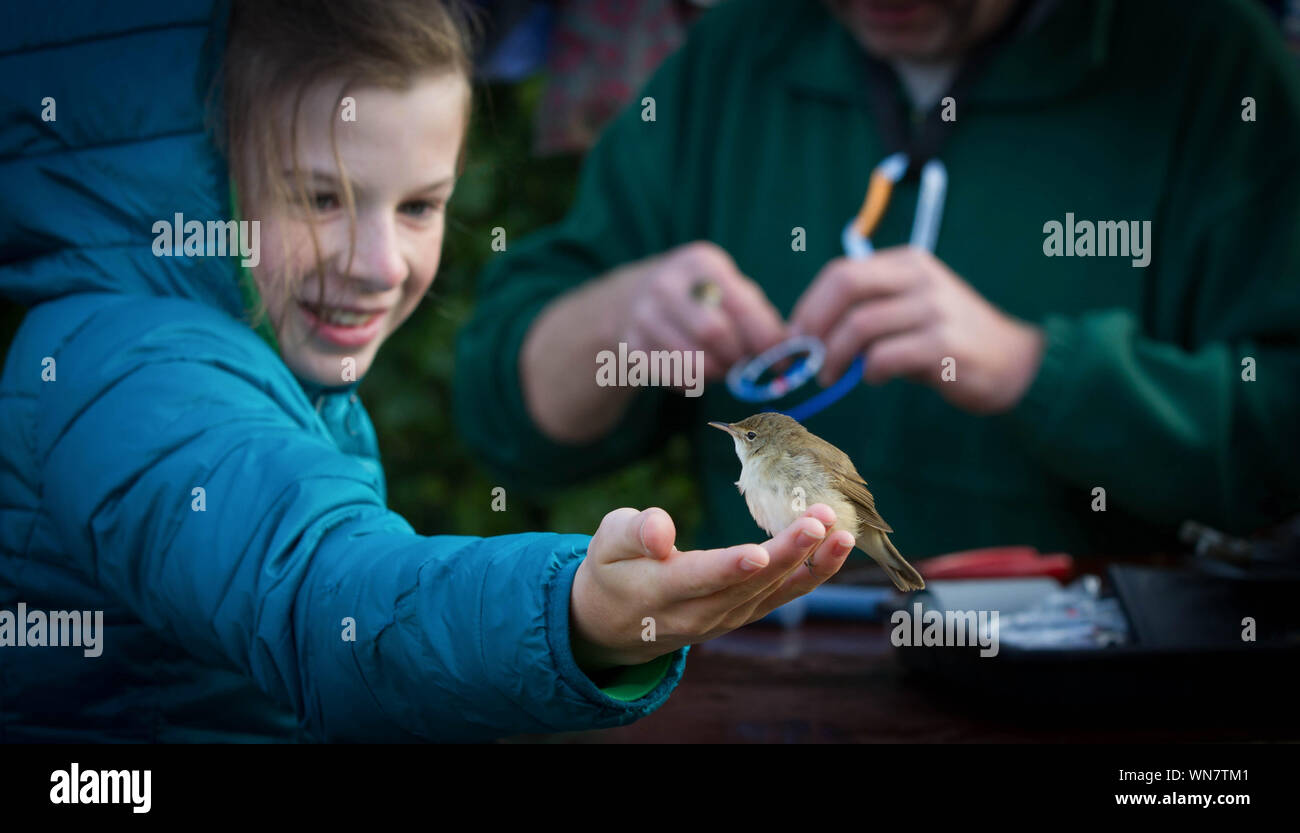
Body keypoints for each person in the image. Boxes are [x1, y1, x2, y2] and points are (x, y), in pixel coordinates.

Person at [0, 0, 856, 742]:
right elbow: (321, 594)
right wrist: (568, 616)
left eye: (418, 206)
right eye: (320, 198)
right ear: (209, 182)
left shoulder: (250, 344)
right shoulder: (131, 371)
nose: (379, 263)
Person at [454, 0, 1300, 562]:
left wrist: (1034, 369)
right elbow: (505, 418)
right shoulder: (737, 53)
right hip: (765, 674)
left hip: (1110, 699)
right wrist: (616, 325)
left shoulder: (1209, 64)